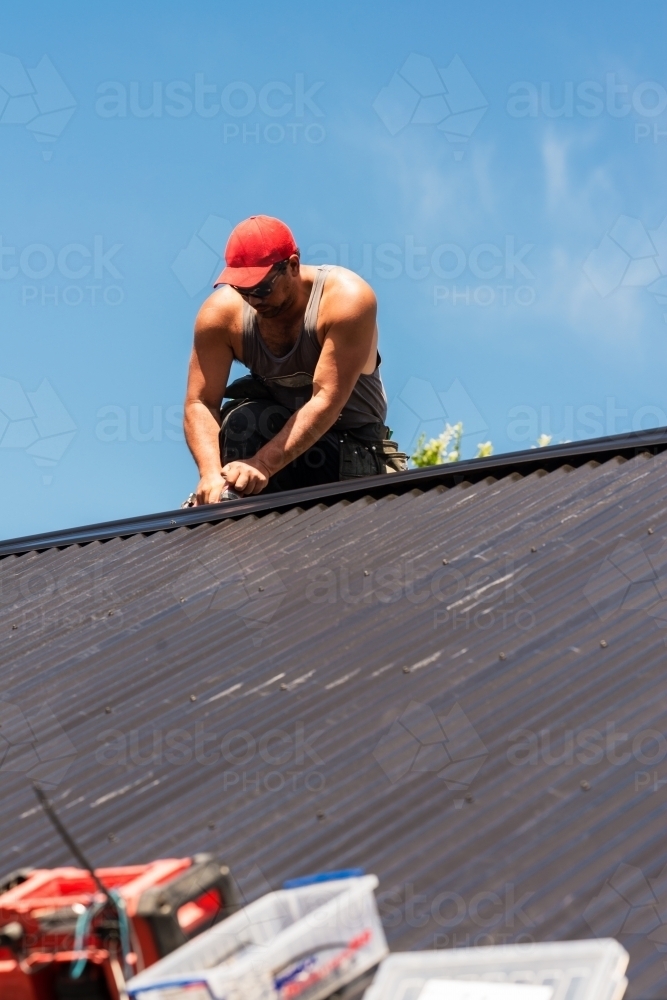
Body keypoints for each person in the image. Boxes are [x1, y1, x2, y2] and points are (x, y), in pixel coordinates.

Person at [183, 215, 406, 504]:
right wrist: (211, 476)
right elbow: (200, 402)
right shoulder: (221, 316)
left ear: (292, 265)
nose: (253, 300)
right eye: (242, 290)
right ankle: (235, 519)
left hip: (353, 451)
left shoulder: (346, 299)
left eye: (262, 288)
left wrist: (262, 465)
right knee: (245, 420)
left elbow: (324, 399)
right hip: (279, 446)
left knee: (255, 425)